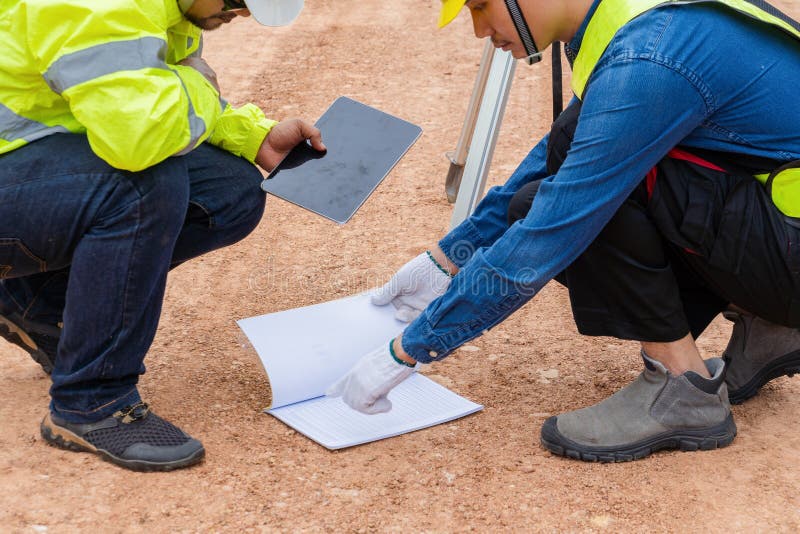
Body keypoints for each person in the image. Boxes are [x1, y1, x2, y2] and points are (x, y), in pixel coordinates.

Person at [327, 0, 800, 462]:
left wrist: (410, 349)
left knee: (593, 197)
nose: (478, 31)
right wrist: (448, 259)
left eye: (479, 6)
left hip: (789, 254)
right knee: (554, 174)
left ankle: (684, 389)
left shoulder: (650, 57)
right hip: (782, 235)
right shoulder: (638, 20)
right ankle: (768, 322)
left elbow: (556, 223)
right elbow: (557, 157)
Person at [0, 0, 325, 472]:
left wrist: (254, 135)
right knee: (141, 185)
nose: (241, 13)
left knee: (229, 191)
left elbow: (149, 102)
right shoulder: (97, 5)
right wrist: (196, 82)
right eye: (237, 0)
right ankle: (91, 403)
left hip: (25, 166)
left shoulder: (167, 9)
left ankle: (35, 305)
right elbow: (140, 136)